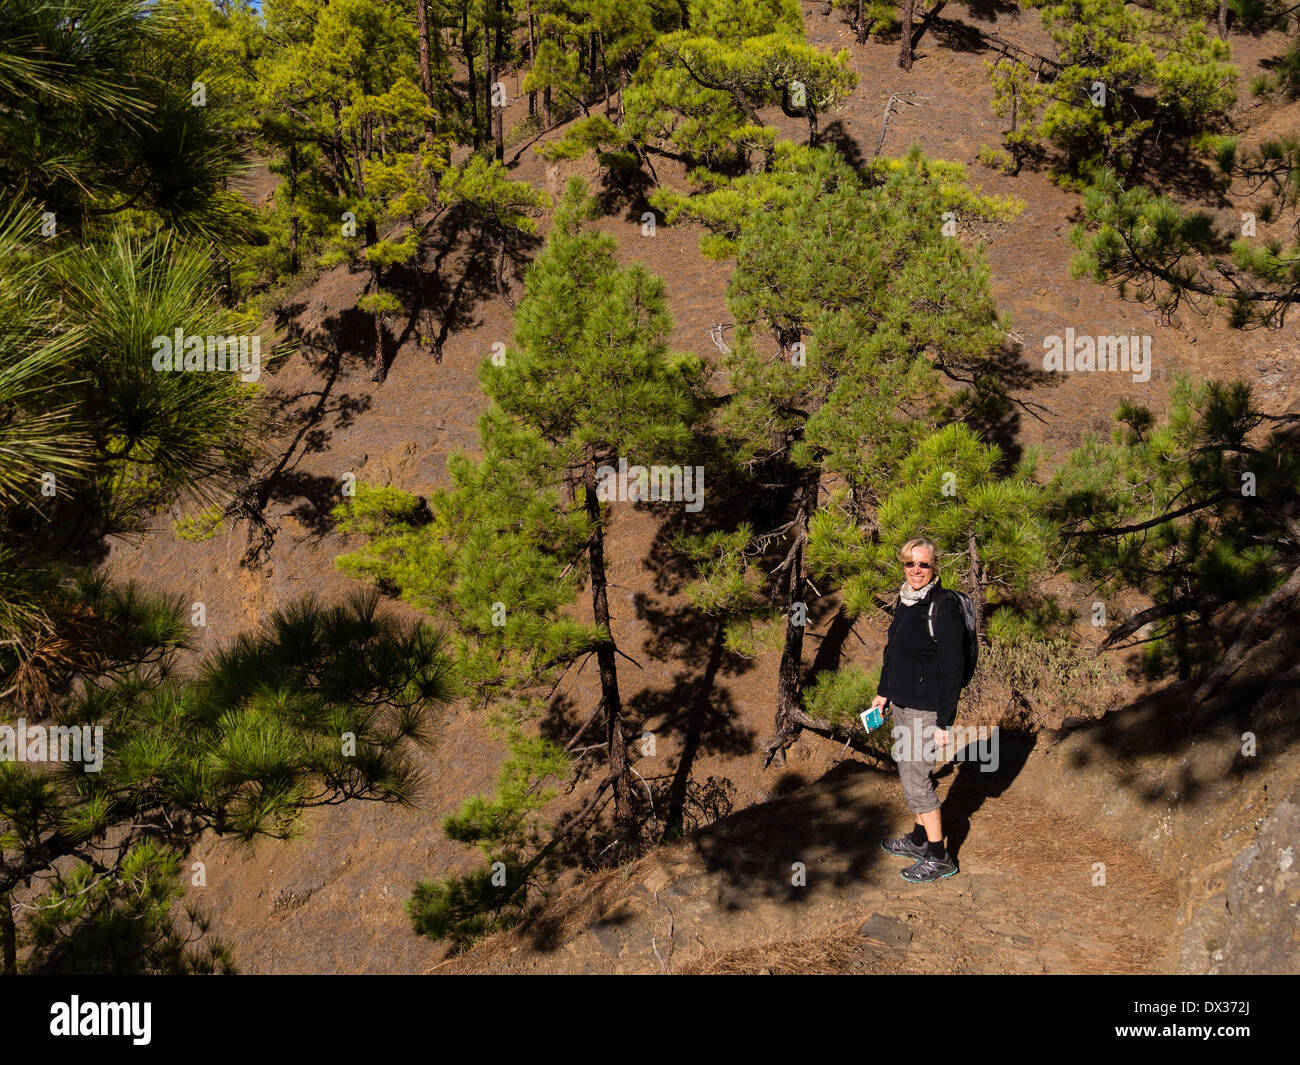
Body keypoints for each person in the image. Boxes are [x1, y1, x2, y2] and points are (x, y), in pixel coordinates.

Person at [869, 536, 963, 883]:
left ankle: (939, 857)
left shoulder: (943, 606)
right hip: (903, 705)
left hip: (927, 710)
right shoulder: (906, 601)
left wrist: (945, 721)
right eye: (910, 563)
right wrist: (883, 692)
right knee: (909, 773)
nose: (916, 570)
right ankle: (921, 840)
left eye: (923, 564)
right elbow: (893, 652)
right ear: (904, 565)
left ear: (933, 567)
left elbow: (953, 667)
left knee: (917, 781)